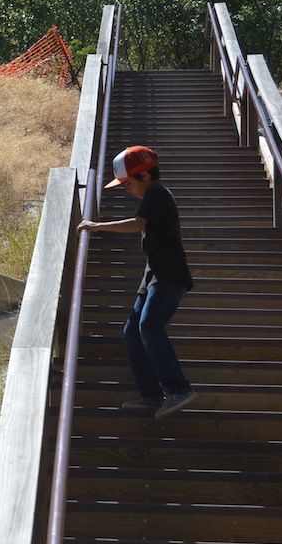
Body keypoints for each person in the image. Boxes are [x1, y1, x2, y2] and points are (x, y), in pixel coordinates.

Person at [77, 145, 197, 419]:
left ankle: (178, 388)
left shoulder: (157, 193)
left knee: (149, 325)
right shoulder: (153, 195)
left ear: (144, 176)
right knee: (132, 332)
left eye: (128, 183)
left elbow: (137, 224)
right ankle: (152, 395)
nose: (126, 190)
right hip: (153, 275)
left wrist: (96, 226)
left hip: (169, 275)